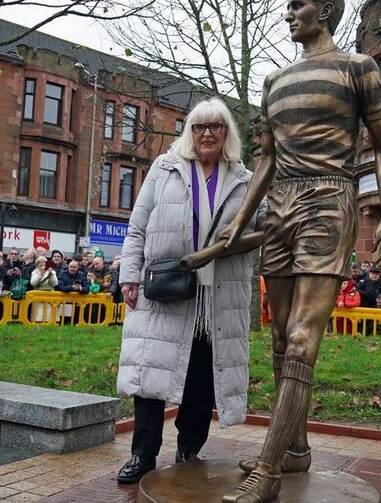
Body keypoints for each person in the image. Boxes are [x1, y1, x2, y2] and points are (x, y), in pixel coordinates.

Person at [115, 97, 264, 485]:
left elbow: (264, 226)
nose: (207, 134)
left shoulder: (246, 179)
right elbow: (137, 226)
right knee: (150, 373)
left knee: (201, 376)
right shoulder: (164, 170)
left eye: (216, 126)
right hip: (164, 289)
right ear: (190, 132)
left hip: (217, 296)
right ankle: (142, 456)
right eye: (199, 127)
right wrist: (128, 275)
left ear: (227, 133)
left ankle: (189, 449)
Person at [29, 256, 58, 322]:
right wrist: (40, 275)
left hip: (49, 295)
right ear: (37, 264)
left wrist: (51, 275)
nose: (42, 263)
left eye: (43, 262)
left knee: (49, 316)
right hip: (38, 296)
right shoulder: (34, 272)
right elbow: (33, 283)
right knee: (38, 316)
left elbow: (55, 283)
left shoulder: (52, 271)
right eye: (39, 262)